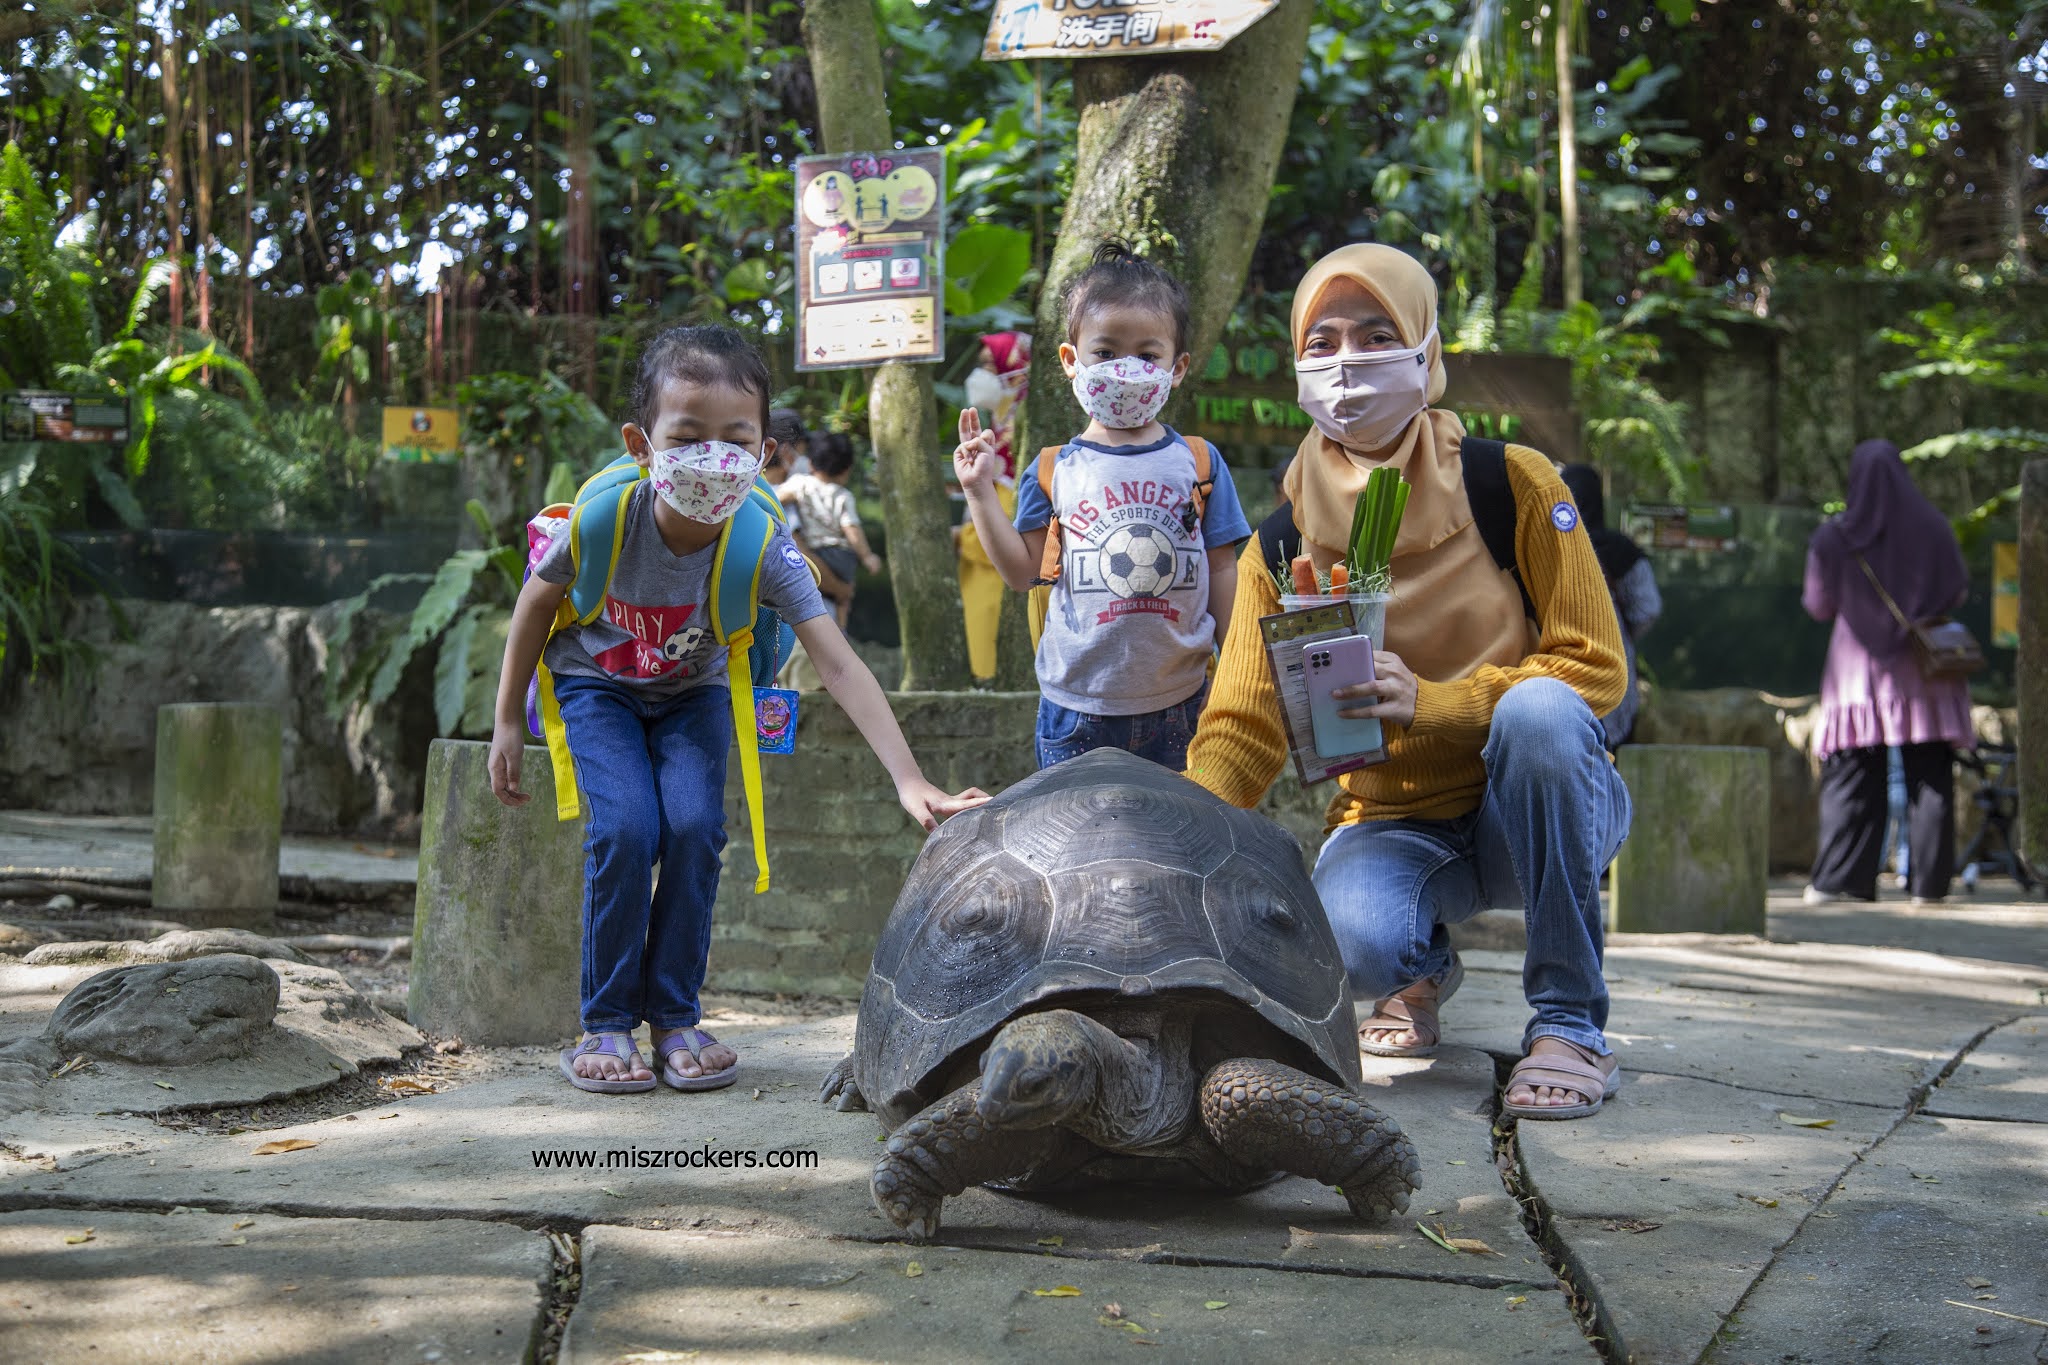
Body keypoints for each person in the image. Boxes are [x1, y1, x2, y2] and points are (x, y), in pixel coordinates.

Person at [1185, 243, 1632, 1120]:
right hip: (1392, 815)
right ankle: (1417, 971)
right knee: (1344, 944)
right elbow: (1244, 723)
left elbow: (1596, 670)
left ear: (1426, 351)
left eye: (1376, 333)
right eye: (1323, 341)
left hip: (1537, 797)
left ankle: (1572, 1022)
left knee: (1541, 712)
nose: (1347, 360)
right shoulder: (1282, 540)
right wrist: (1175, 823)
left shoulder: (1513, 482)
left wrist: (1434, 702)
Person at [488, 325, 985, 1095]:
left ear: (764, 453)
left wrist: (909, 779)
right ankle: (608, 1020)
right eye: (687, 435)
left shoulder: (764, 544)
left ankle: (676, 1015)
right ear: (642, 443)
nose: (711, 455)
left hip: (697, 690)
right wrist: (508, 721)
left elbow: (839, 661)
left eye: (735, 437)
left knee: (692, 830)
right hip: (598, 686)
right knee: (625, 828)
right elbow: (533, 605)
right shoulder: (600, 522)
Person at [953, 240, 1252, 772]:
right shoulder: (1052, 470)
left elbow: (1223, 568)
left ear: (1176, 367)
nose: (1125, 369)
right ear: (1072, 360)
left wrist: (1234, 670)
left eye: (1147, 355)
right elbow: (1023, 574)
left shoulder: (1199, 463)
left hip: (1183, 703)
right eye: (1107, 352)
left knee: (1173, 849)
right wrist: (979, 491)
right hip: (1076, 709)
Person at [1800, 439, 1973, 907]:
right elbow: (1956, 591)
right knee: (1931, 774)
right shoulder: (1935, 527)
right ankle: (1929, 888)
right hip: (1925, 668)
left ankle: (1843, 881)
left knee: (1853, 774)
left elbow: (1817, 606)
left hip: (1858, 674)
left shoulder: (1833, 537)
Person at [1558, 464, 1661, 750]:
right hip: (1613, 667)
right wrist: (1623, 632)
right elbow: (1648, 608)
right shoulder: (1621, 552)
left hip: (1560, 673)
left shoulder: (1546, 548)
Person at [958, 331, 1033, 682]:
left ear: (1013, 368)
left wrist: (963, 536)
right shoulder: (997, 423)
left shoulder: (1022, 426)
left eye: (991, 364)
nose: (982, 373)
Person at [779, 432, 882, 630]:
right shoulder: (843, 496)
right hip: (840, 555)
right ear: (846, 470)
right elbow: (852, 529)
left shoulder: (800, 483)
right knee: (844, 598)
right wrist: (867, 556)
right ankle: (841, 632)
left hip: (815, 553)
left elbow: (777, 497)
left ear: (810, 463)